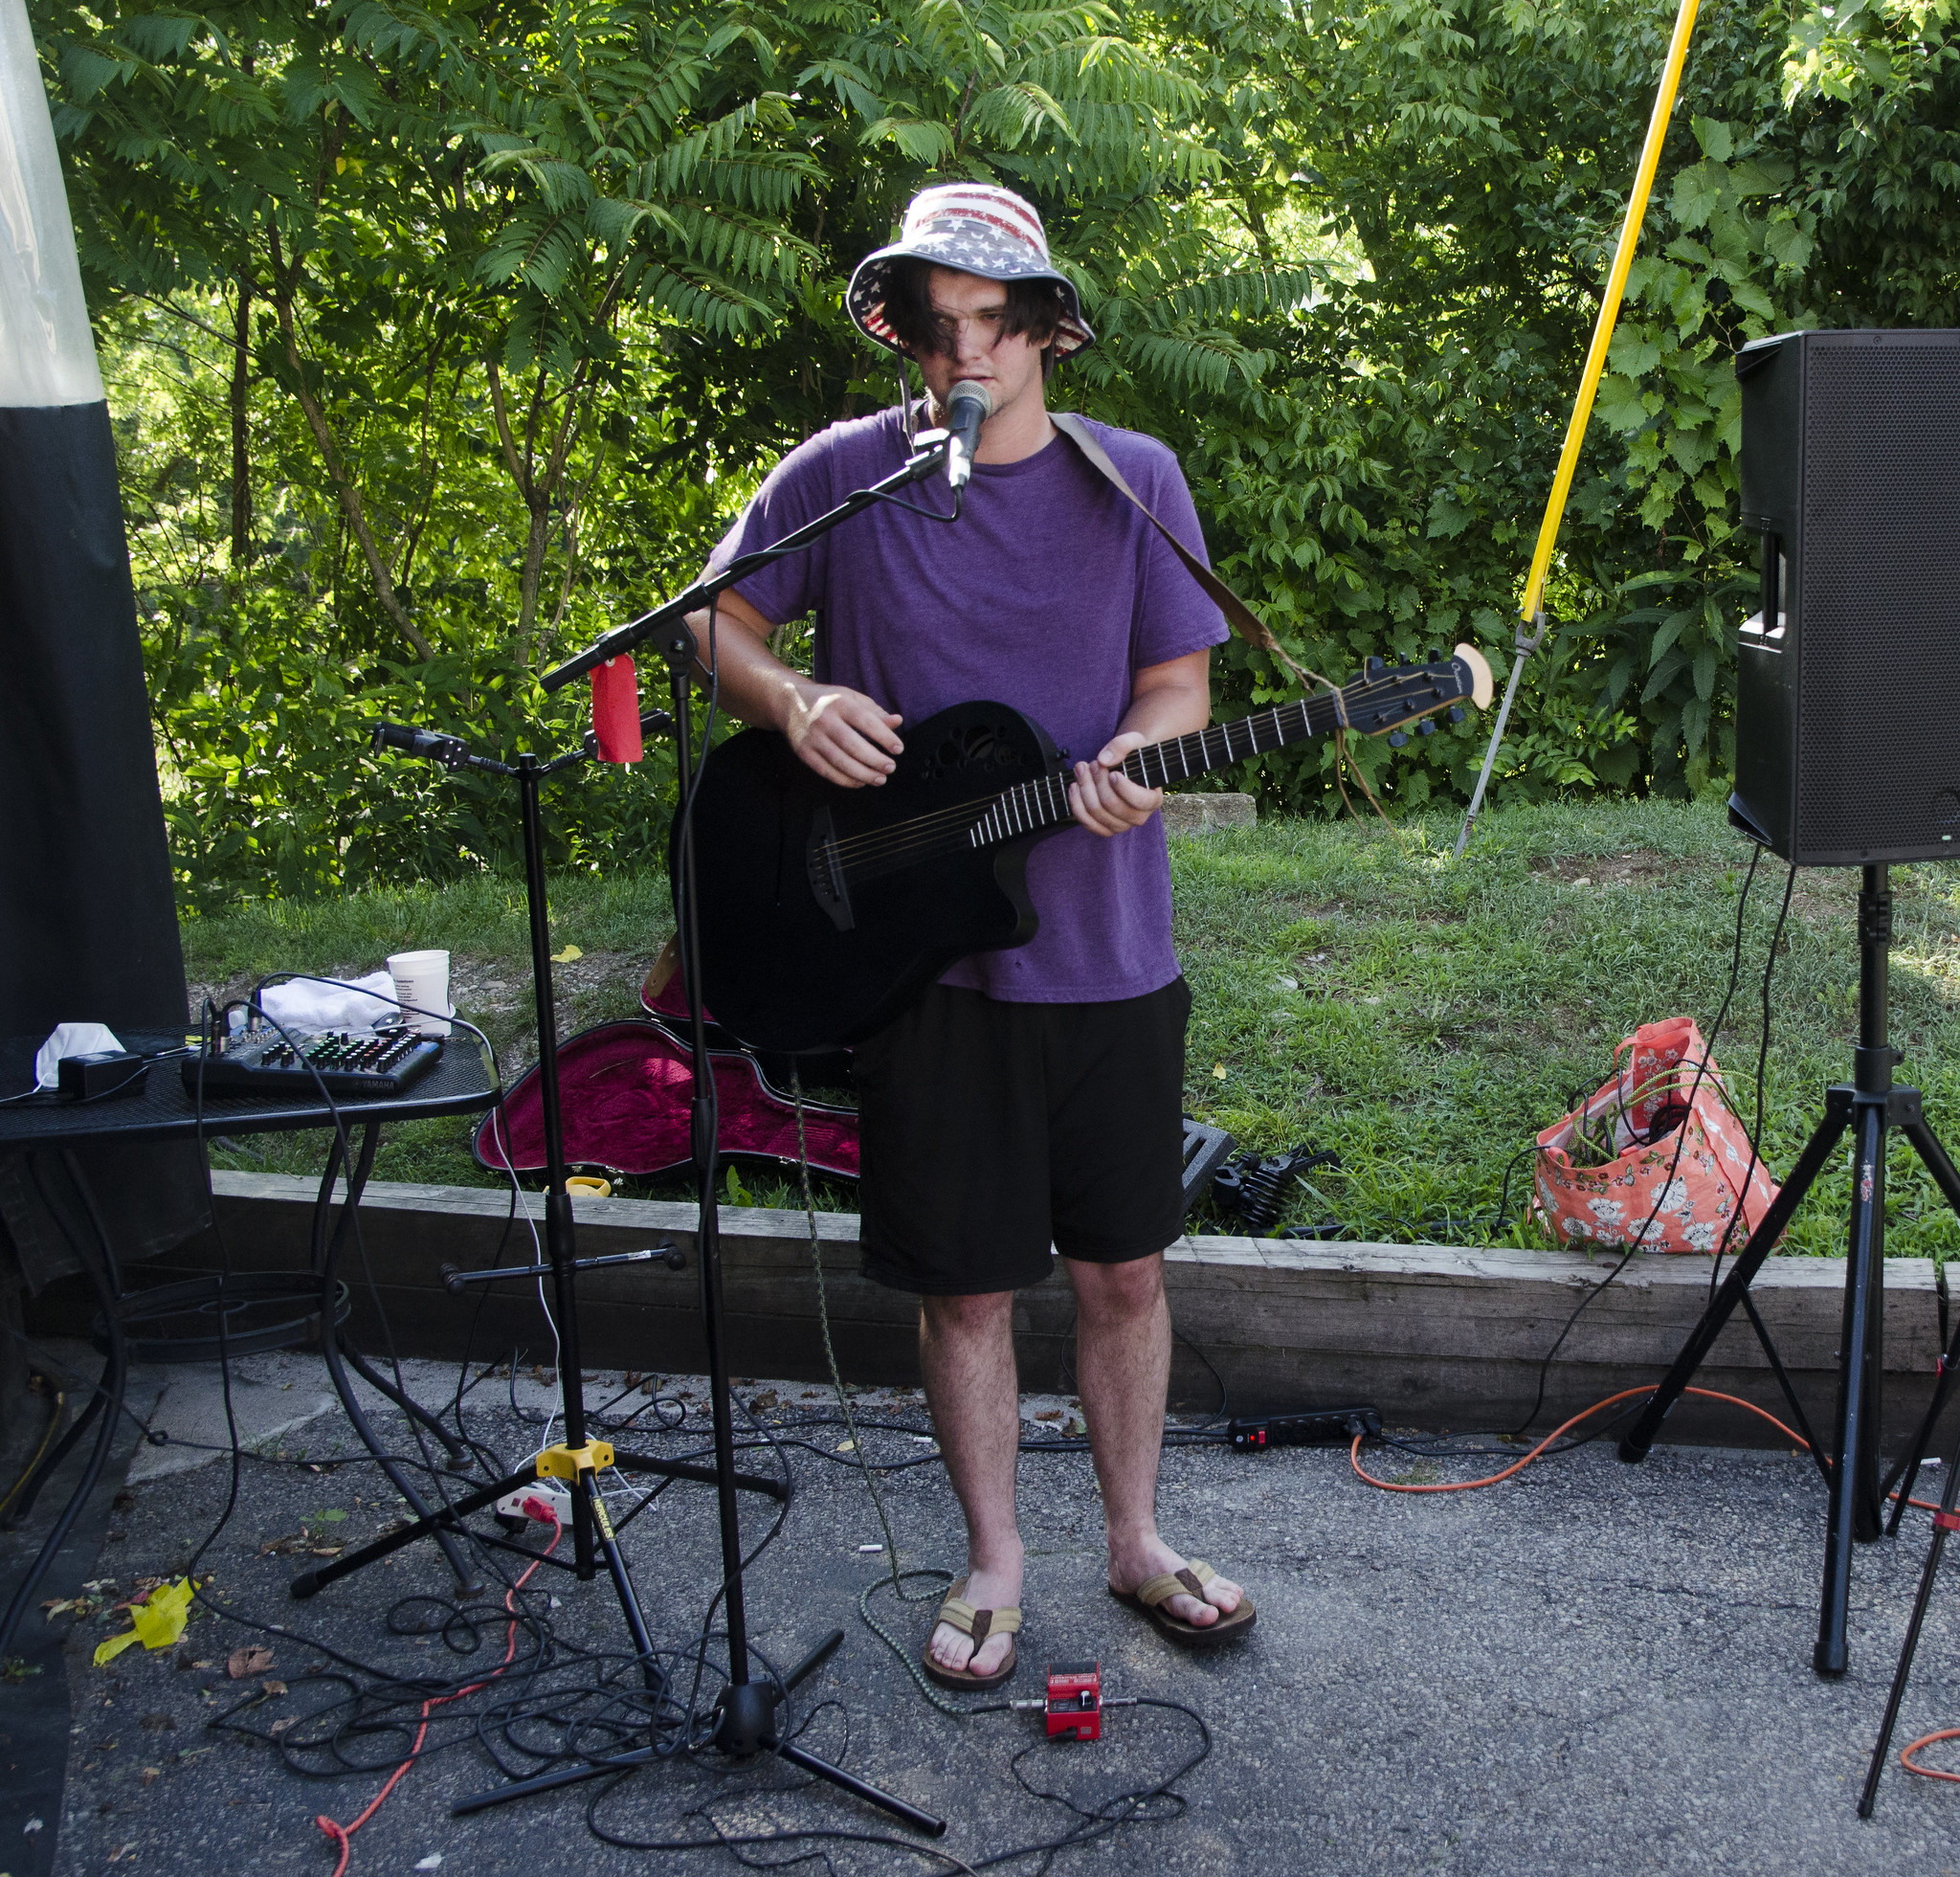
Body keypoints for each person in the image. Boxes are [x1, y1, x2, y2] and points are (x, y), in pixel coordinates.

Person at [700, 183, 1254, 1687]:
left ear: (1047, 334)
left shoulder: (1134, 481)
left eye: (994, 326)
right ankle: (997, 1554)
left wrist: (1138, 753)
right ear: (906, 333)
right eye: (938, 327)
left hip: (1110, 953)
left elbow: (1181, 687)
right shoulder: (844, 477)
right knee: (962, 1284)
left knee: (1124, 1271)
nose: (966, 358)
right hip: (915, 958)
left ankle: (1135, 1540)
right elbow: (716, 625)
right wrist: (794, 699)